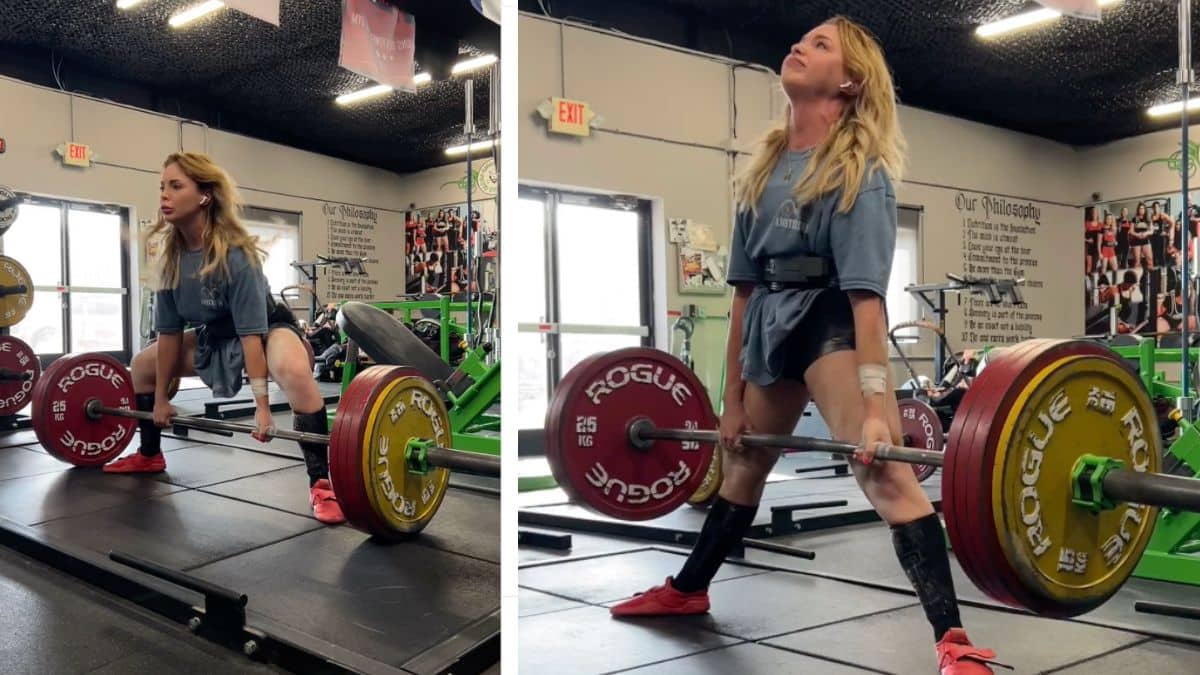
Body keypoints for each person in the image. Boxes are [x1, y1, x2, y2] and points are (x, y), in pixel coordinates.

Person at [608, 16, 1000, 674]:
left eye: (821, 45)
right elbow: (740, 294)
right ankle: (687, 589)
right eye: (804, 38)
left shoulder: (860, 173)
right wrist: (728, 402)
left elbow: (866, 301)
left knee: (882, 469)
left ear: (847, 82)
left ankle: (953, 640)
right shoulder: (761, 170)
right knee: (742, 463)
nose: (800, 45)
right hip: (769, 319)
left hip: (829, 318)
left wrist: (876, 410)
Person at [106, 152, 345, 525]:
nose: (164, 195)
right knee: (142, 364)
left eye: (176, 186)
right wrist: (163, 400)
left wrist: (263, 409)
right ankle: (150, 453)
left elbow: (251, 335)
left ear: (204, 195)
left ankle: (321, 482)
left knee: (292, 369)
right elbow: (168, 335)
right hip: (213, 335)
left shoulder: (236, 254)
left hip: (268, 330)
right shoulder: (171, 257)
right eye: (162, 187)